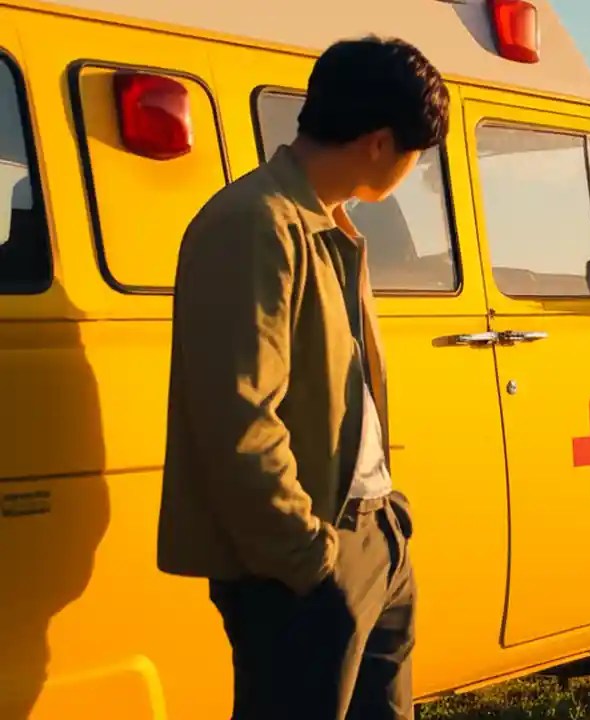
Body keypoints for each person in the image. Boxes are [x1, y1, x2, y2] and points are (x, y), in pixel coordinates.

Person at [156, 36, 449, 719]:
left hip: (374, 536)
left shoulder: (328, 224)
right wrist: (310, 560)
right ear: (379, 143)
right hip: (300, 561)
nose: (412, 169)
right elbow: (238, 419)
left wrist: (388, 520)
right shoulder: (253, 224)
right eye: (414, 154)